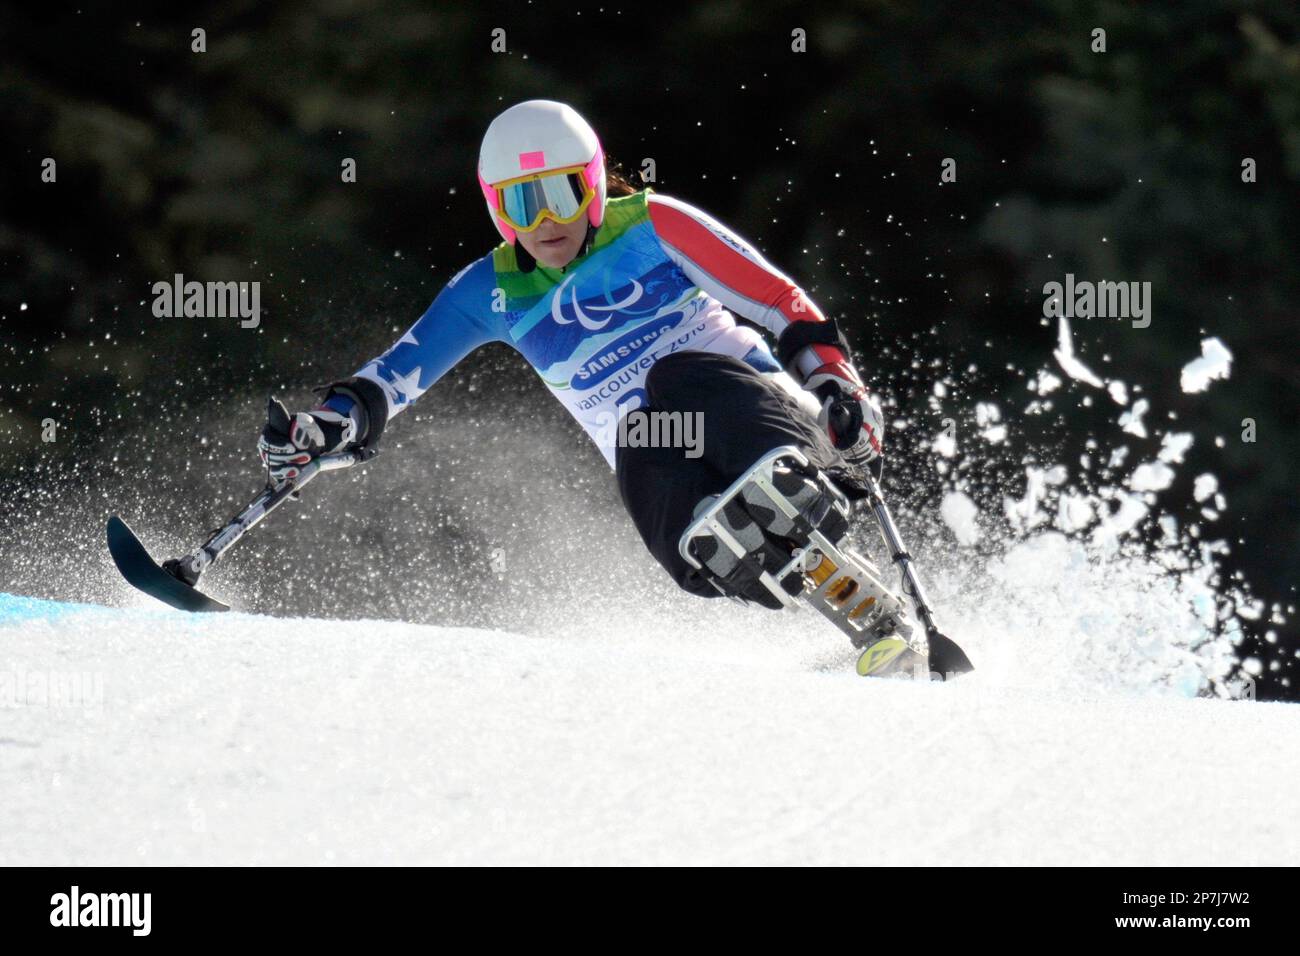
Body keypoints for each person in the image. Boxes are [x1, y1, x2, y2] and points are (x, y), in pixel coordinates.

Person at [259, 99, 885, 607]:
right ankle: (725, 547)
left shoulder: (652, 224)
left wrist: (838, 386)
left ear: (591, 183)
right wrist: (328, 426)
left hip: (769, 421)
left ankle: (787, 486)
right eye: (519, 203)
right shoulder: (491, 289)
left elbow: (779, 300)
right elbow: (390, 381)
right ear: (495, 208)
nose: (545, 220)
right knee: (639, 433)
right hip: (677, 459)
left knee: (676, 376)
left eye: (560, 193)